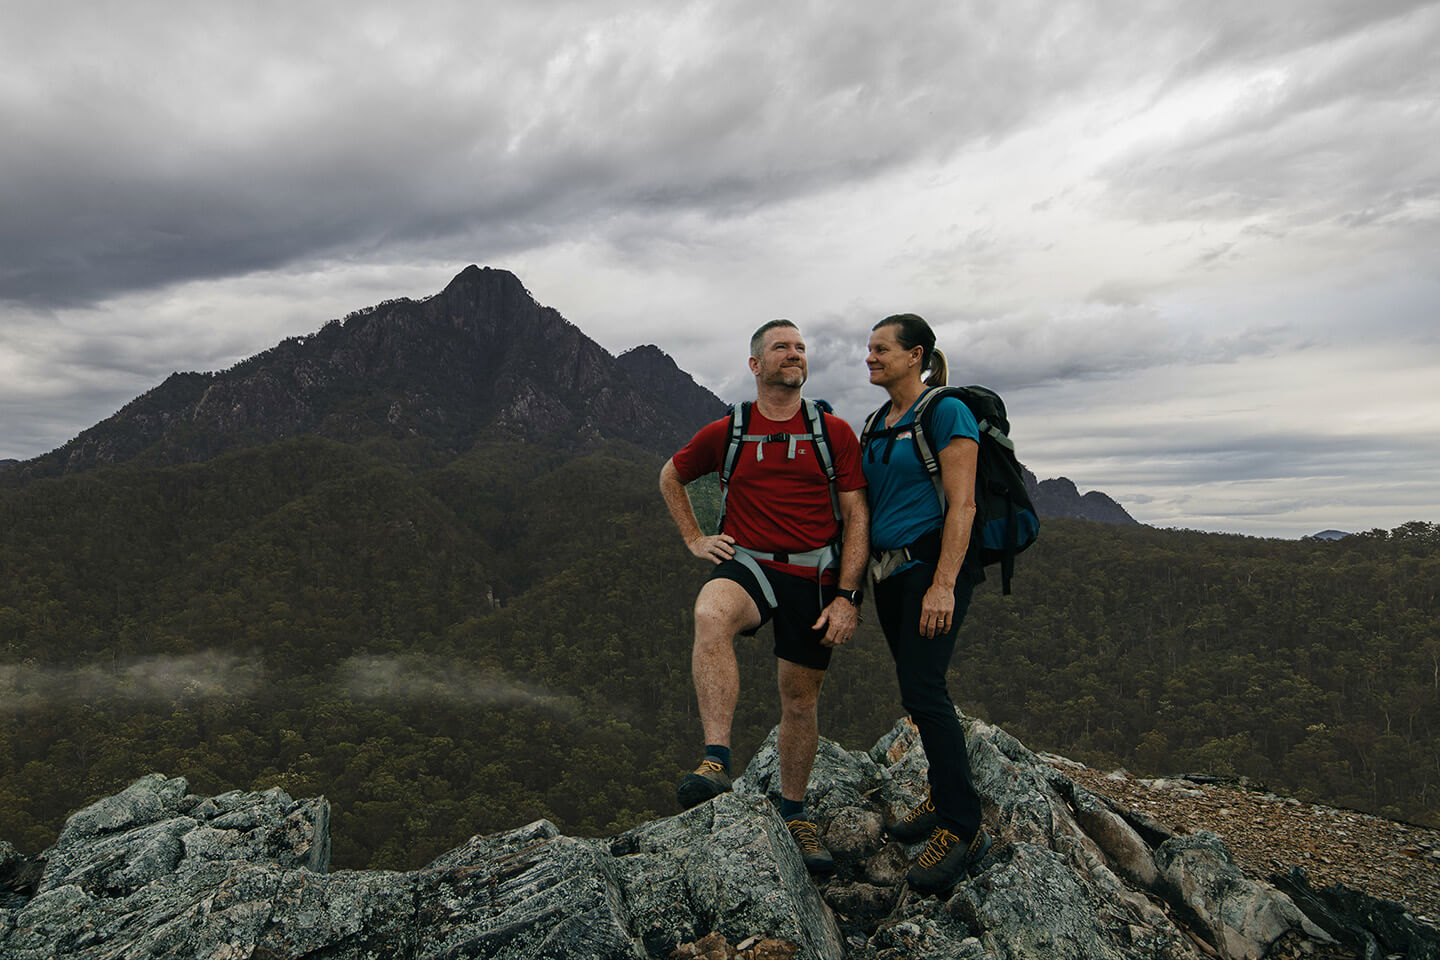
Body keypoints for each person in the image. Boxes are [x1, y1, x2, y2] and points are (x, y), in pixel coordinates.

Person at [659, 319, 869, 874]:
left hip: (814, 575)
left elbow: (856, 515)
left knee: (800, 699)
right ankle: (715, 759)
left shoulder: (834, 433)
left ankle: (794, 810)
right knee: (710, 611)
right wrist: (695, 538)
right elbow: (670, 476)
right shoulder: (729, 431)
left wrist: (848, 597)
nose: (794, 354)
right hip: (748, 563)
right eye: (782, 348)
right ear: (756, 365)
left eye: (800, 347)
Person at [861, 313, 992, 894]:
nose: (871, 357)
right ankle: (942, 801)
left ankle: (962, 826)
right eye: (869, 349)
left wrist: (944, 582)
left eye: (882, 349)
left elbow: (961, 505)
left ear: (916, 355)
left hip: (932, 569)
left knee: (925, 689)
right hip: (888, 575)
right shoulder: (878, 420)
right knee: (915, 689)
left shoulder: (947, 411)